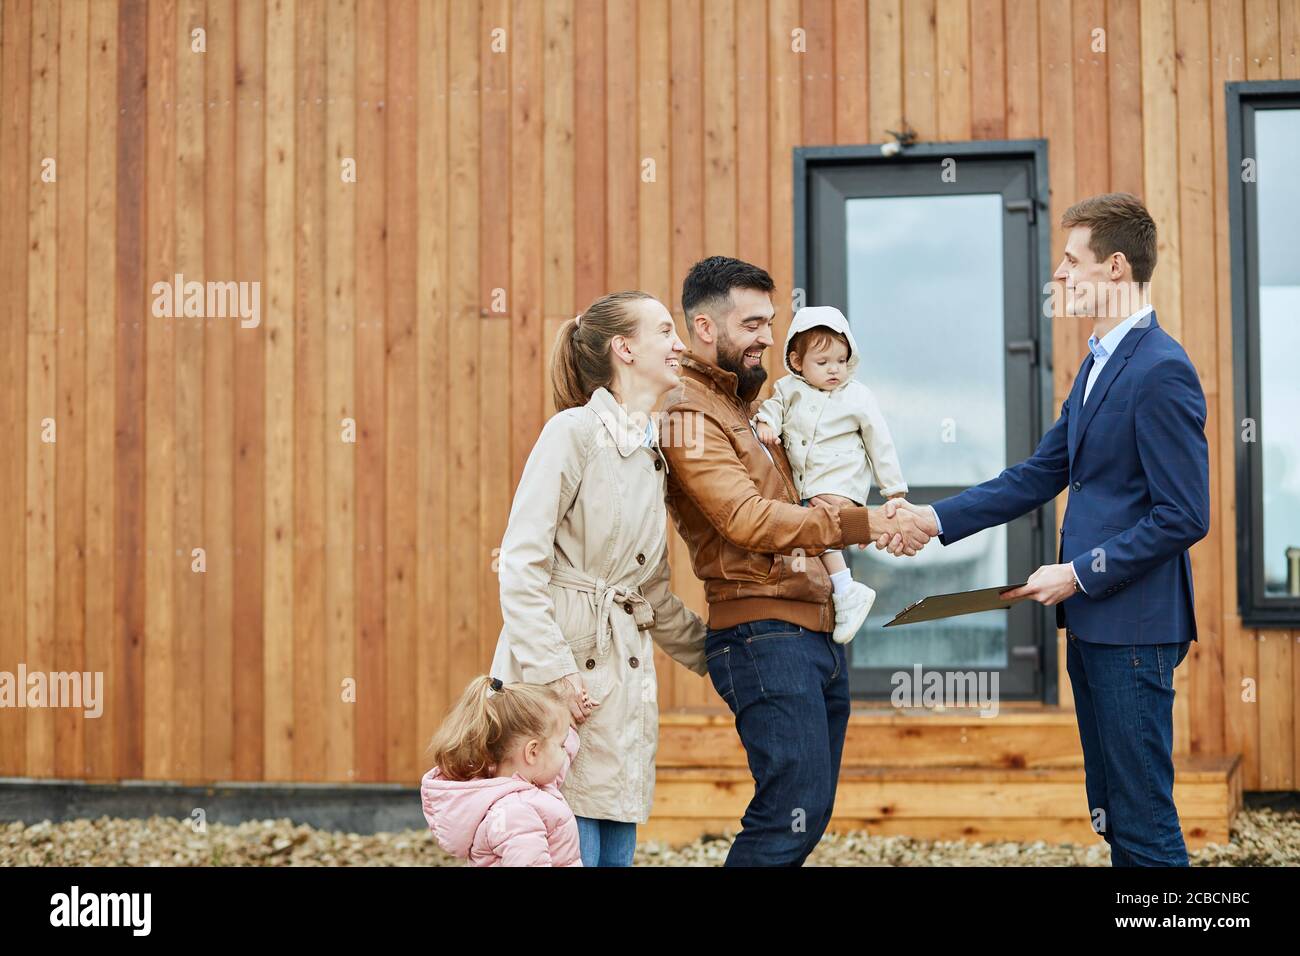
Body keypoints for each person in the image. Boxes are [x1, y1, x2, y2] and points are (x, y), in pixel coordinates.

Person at [885, 193, 1210, 866]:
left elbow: (1185, 514)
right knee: (1115, 814)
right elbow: (1039, 474)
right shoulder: (1098, 365)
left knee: (1145, 825)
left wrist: (1077, 572)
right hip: (1094, 626)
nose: (1059, 276)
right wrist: (933, 518)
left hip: (1135, 630)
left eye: (1071, 260)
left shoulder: (1161, 369)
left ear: (1115, 267)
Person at [659, 256, 927, 866]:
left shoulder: (752, 409)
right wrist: (864, 522)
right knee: (788, 812)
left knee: (807, 809)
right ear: (706, 328)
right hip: (763, 635)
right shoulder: (689, 414)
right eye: (752, 324)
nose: (767, 338)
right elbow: (746, 519)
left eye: (769, 322)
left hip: (815, 631)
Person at [489, 291, 709, 867]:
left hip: (620, 683)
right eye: (665, 331)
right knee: (563, 845)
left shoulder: (652, 454)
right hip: (559, 686)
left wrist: (721, 655)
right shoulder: (572, 433)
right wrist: (556, 672)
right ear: (625, 348)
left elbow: (653, 592)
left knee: (614, 847)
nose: (679, 344)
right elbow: (520, 563)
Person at [755, 305, 909, 643]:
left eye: (841, 361)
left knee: (817, 523)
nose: (834, 370)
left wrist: (893, 490)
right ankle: (843, 582)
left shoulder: (857, 396)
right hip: (807, 485)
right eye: (822, 363)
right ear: (797, 362)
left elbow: (879, 441)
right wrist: (767, 423)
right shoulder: (788, 389)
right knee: (814, 530)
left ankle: (846, 589)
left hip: (841, 479)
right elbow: (773, 408)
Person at [420, 676, 583, 867]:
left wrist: (569, 730)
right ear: (532, 752)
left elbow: (556, 767)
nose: (565, 753)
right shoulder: (516, 813)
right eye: (561, 745)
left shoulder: (527, 786)